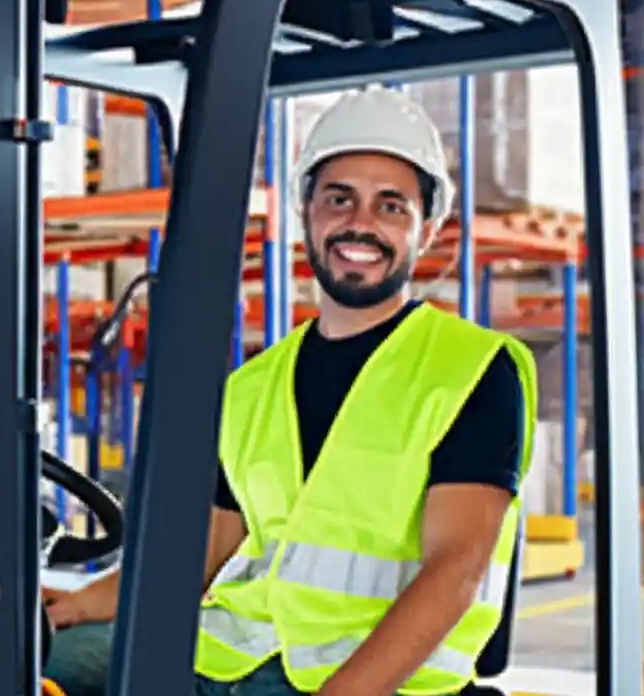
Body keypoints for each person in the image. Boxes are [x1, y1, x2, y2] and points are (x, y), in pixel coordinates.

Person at [40, 87, 537, 696]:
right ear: (308, 212)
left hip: (375, 679)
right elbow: (205, 556)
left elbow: (455, 569)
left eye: (390, 207)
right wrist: (69, 605)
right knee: (39, 663)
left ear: (426, 230)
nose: (361, 223)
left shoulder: (471, 369)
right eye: (340, 199)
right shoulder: (254, 385)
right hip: (234, 654)